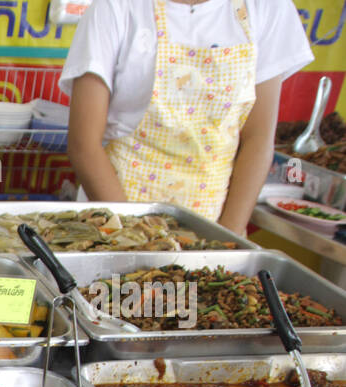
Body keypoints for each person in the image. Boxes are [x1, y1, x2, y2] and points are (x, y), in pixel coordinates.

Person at [62, 0, 313, 232]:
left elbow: (257, 139)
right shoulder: (117, 7)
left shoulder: (266, 7)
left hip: (214, 221)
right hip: (116, 215)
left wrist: (227, 239)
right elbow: (84, 145)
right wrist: (134, 238)